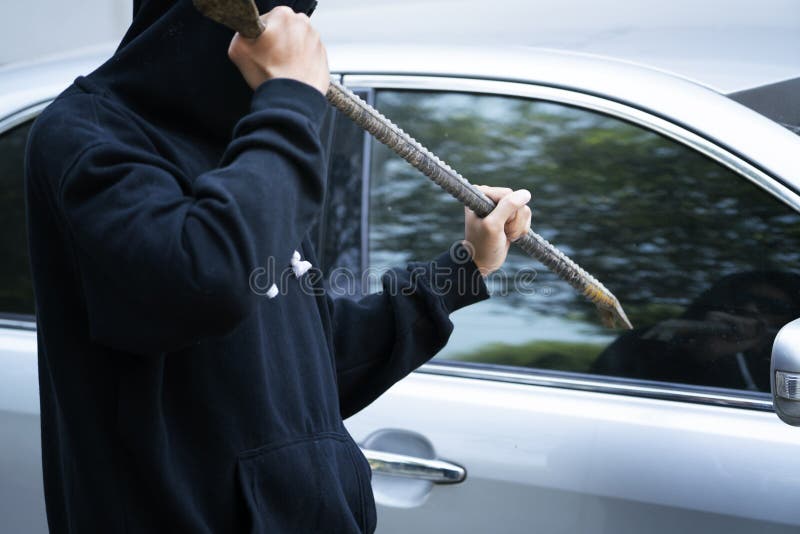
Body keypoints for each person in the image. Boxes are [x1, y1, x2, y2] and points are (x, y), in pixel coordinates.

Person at [24, 1, 533, 532]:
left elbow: (313, 365)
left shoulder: (250, 151)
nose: (294, 24)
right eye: (275, 5)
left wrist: (463, 270)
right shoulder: (89, 135)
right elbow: (202, 280)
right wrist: (288, 101)